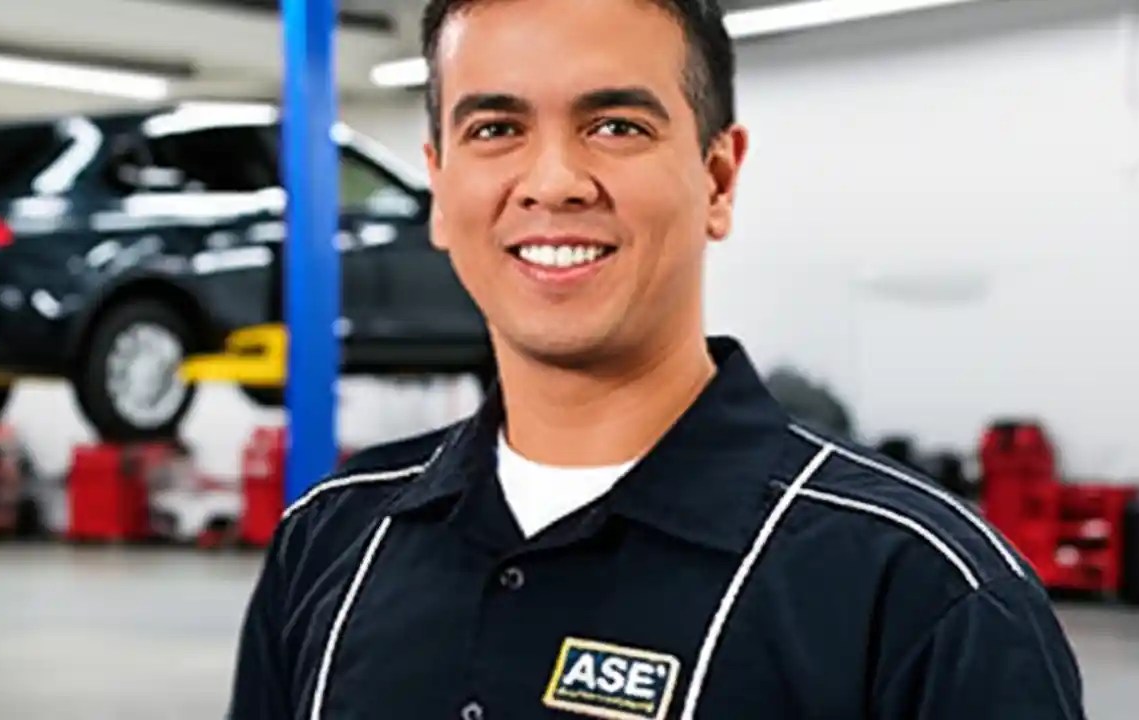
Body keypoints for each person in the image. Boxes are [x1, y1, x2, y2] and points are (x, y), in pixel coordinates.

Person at [227, 0, 1086, 717]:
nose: (554, 180)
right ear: (440, 189)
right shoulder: (331, 539)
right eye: (495, 127)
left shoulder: (921, 591)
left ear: (718, 179)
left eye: (615, 125)